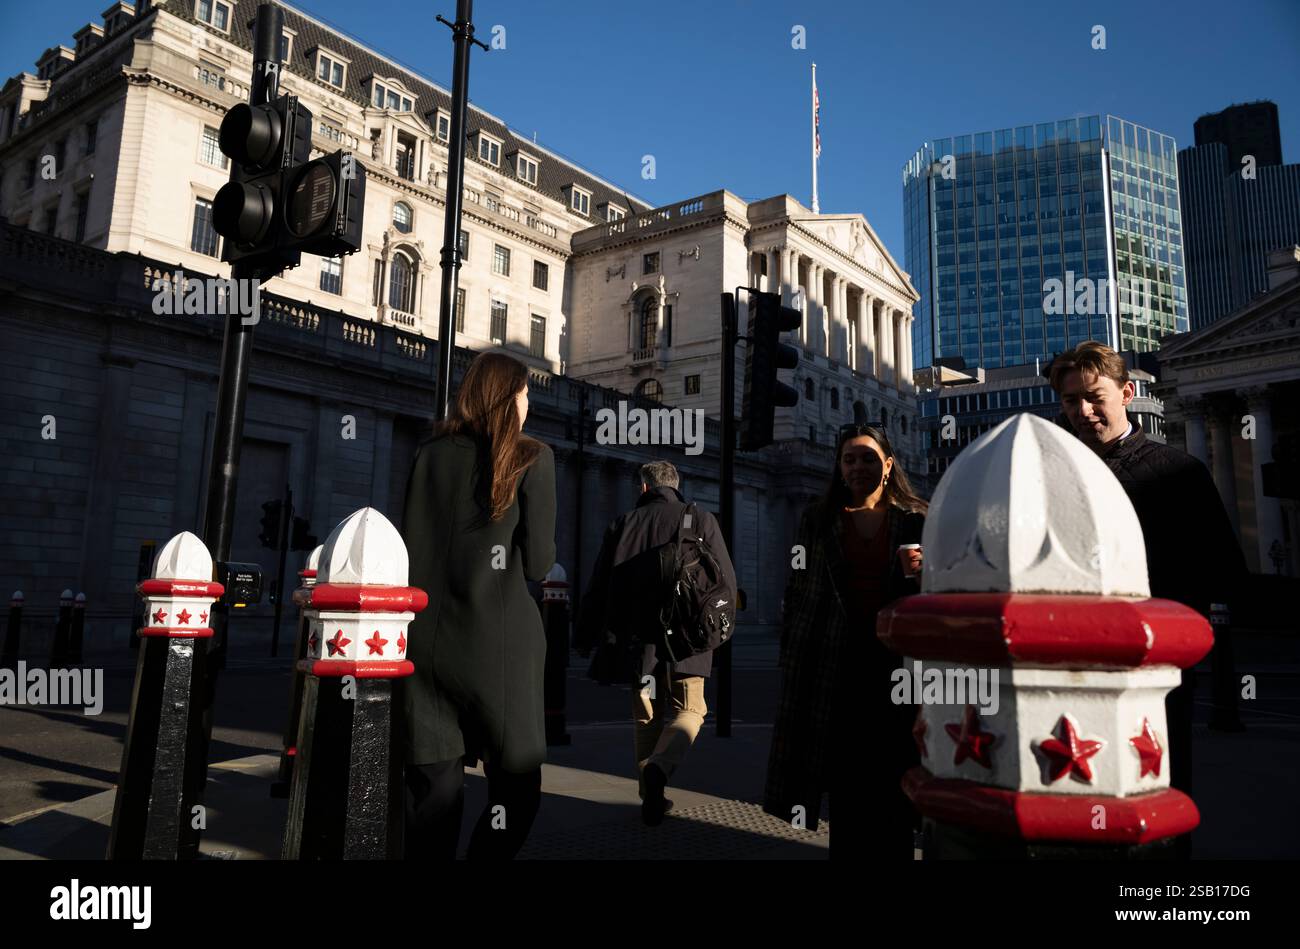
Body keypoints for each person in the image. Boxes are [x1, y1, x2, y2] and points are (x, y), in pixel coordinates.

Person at [1047, 341, 1247, 855]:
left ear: (1128, 393)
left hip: (1152, 669)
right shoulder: (1056, 476)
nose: (1084, 411)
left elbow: (1223, 568)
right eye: (1071, 402)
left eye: (1095, 396)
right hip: (1072, 666)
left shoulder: (1179, 471)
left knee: (1155, 795)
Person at [398, 352, 556, 860]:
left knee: (434, 790)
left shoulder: (429, 453)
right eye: (526, 392)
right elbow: (537, 564)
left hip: (422, 644)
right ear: (510, 398)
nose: (529, 402)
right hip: (499, 645)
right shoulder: (532, 457)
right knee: (516, 789)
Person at [764, 423, 928, 859]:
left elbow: (939, 588)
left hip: (898, 670)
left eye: (868, 458)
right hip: (835, 665)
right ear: (838, 467)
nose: (858, 467)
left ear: (889, 465)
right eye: (849, 459)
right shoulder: (817, 519)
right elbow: (798, 587)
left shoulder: (917, 518)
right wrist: (792, 654)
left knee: (896, 778)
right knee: (846, 784)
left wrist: (924, 571)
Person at [575, 460, 737, 826]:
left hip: (639, 644)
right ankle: (659, 769)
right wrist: (722, 631)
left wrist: (584, 635)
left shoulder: (623, 523)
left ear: (644, 488)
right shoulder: (699, 518)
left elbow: (599, 585)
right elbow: (724, 580)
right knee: (691, 712)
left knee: (647, 720)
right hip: (688, 641)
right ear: (675, 486)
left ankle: (651, 797)